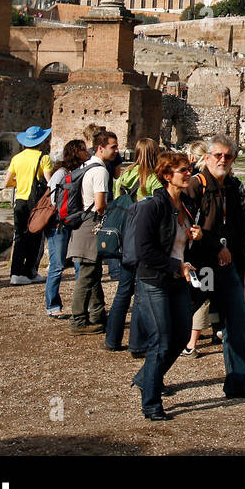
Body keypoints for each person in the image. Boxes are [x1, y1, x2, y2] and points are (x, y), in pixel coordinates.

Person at [185, 134, 245, 399]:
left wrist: (239, 264)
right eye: (218, 155)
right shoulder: (194, 187)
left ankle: (238, 380)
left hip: (229, 266)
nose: (223, 160)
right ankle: (152, 377)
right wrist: (214, 247)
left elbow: (241, 227)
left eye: (228, 156)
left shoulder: (235, 187)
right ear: (207, 158)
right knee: (185, 315)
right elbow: (187, 229)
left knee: (237, 321)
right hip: (202, 266)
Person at [129, 151, 201, 421]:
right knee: (161, 341)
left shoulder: (186, 205)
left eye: (189, 169)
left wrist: (198, 235)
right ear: (167, 175)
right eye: (183, 170)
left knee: (181, 336)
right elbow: (144, 250)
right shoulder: (152, 206)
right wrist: (175, 266)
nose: (189, 174)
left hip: (177, 280)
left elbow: (182, 243)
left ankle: (144, 377)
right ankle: (151, 403)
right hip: (154, 280)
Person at [106, 137, 160, 354]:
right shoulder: (154, 180)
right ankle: (137, 344)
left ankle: (112, 339)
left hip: (123, 236)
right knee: (141, 292)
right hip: (143, 239)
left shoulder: (124, 176)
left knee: (122, 291)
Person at [68, 130, 118, 334]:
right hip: (92, 225)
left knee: (94, 271)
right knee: (87, 275)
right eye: (113, 147)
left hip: (83, 224)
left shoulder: (86, 165)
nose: (116, 150)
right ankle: (78, 320)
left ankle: (98, 314)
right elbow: (99, 205)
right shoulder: (100, 171)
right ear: (101, 148)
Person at [42, 139, 86, 318]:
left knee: (79, 265)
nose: (86, 151)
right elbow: (52, 197)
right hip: (58, 225)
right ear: (76, 152)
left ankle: (81, 304)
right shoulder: (60, 173)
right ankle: (52, 305)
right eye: (83, 149)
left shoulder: (80, 171)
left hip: (75, 223)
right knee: (57, 265)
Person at [4, 126, 53, 285]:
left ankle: (15, 273)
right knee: (36, 236)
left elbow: (7, 182)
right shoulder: (43, 158)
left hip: (20, 200)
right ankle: (30, 271)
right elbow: (50, 181)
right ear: (41, 140)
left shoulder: (17, 158)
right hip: (36, 202)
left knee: (19, 237)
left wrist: (18, 183)